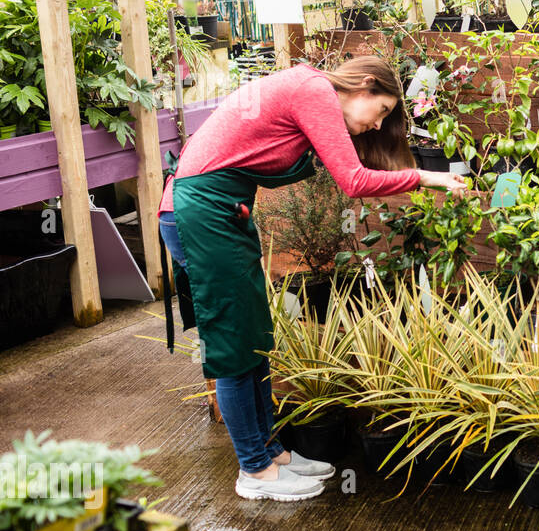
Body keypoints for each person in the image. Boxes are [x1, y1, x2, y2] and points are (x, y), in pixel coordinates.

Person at [157, 56, 465, 500]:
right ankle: (254, 470)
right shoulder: (315, 91)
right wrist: (426, 178)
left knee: (255, 337)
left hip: (225, 212)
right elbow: (353, 180)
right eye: (381, 111)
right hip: (201, 214)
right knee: (233, 347)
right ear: (364, 85)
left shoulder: (308, 89)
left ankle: (272, 453)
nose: (379, 126)